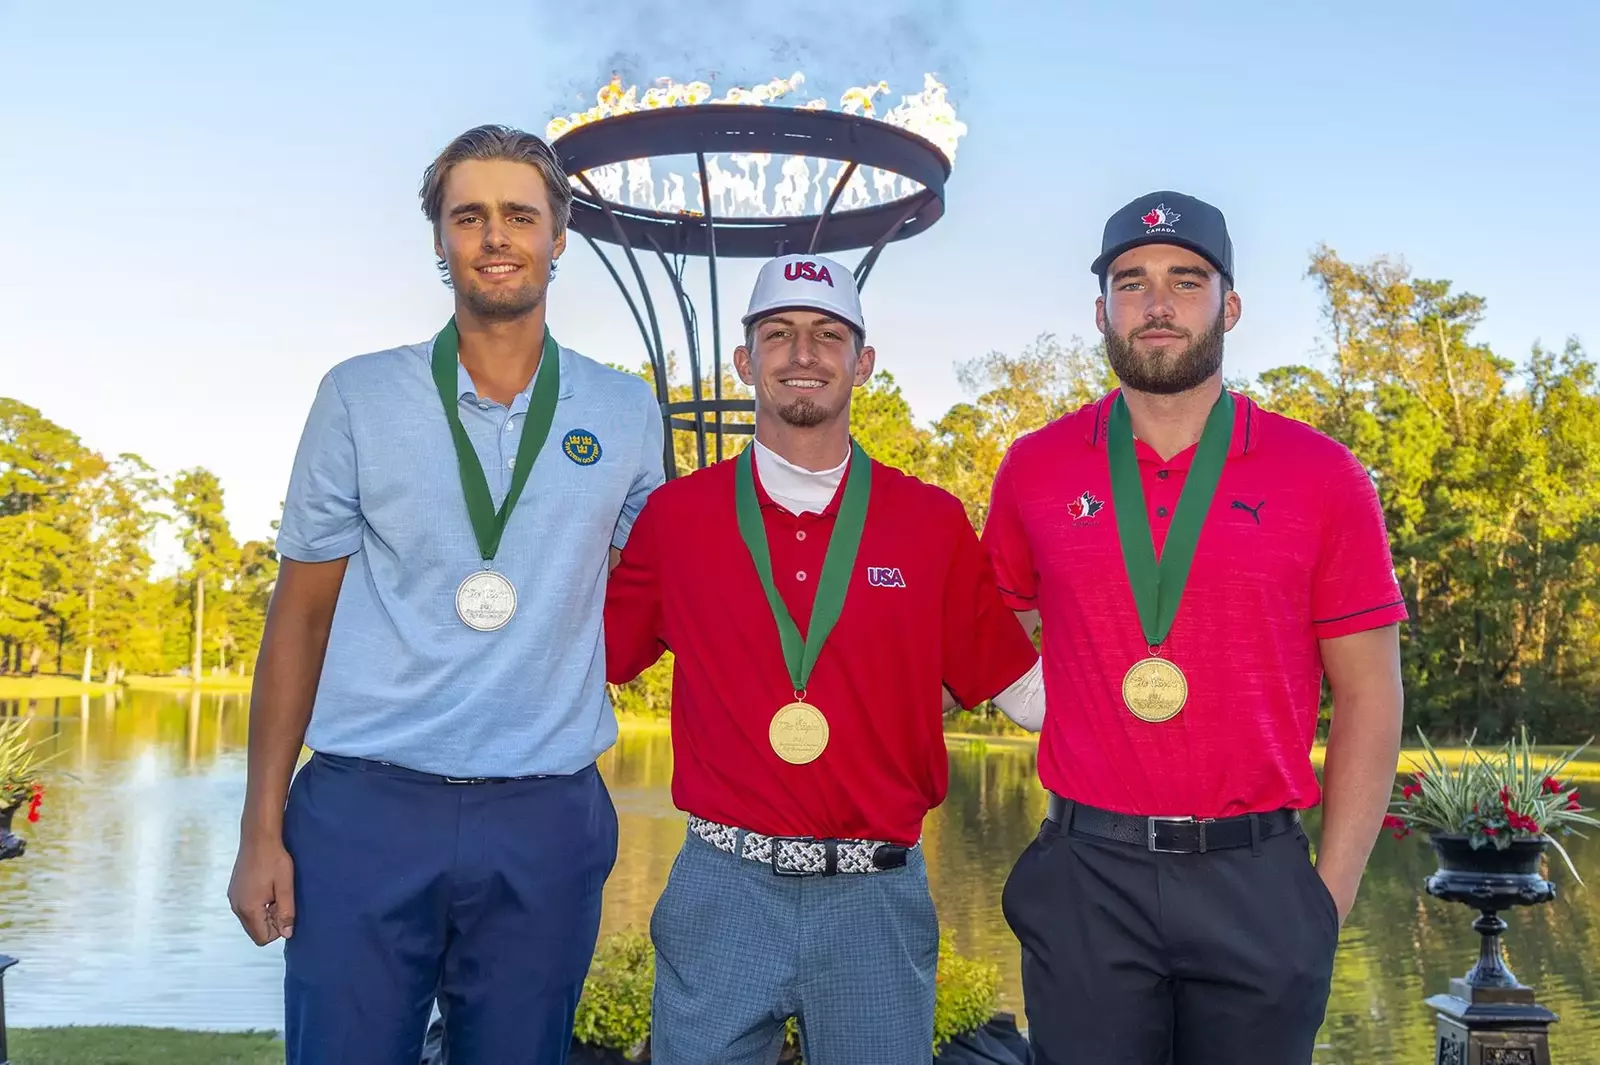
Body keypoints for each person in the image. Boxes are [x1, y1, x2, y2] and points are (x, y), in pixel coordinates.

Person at [226, 124, 664, 1064]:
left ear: (560, 237)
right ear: (439, 240)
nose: (495, 236)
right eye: (469, 216)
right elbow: (298, 618)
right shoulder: (357, 396)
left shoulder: (626, 411)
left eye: (519, 215)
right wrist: (261, 827)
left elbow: (672, 592)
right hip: (366, 807)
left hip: (545, 814)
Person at [984, 191, 1407, 1064]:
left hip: (1257, 876)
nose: (1158, 303)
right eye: (1131, 282)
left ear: (1231, 304)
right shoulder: (1035, 466)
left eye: (1187, 279)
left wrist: (1325, 898)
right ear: (1101, 309)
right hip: (1088, 872)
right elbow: (988, 631)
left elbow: (1370, 694)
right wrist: (1043, 703)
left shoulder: (1323, 474)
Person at [603, 253, 1041, 1065]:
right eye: (779, 332)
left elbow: (1026, 695)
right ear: (744, 360)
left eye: (828, 333)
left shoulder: (930, 522)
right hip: (724, 881)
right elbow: (590, 658)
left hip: (874, 893)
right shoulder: (677, 518)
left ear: (862, 361)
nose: (803, 352)